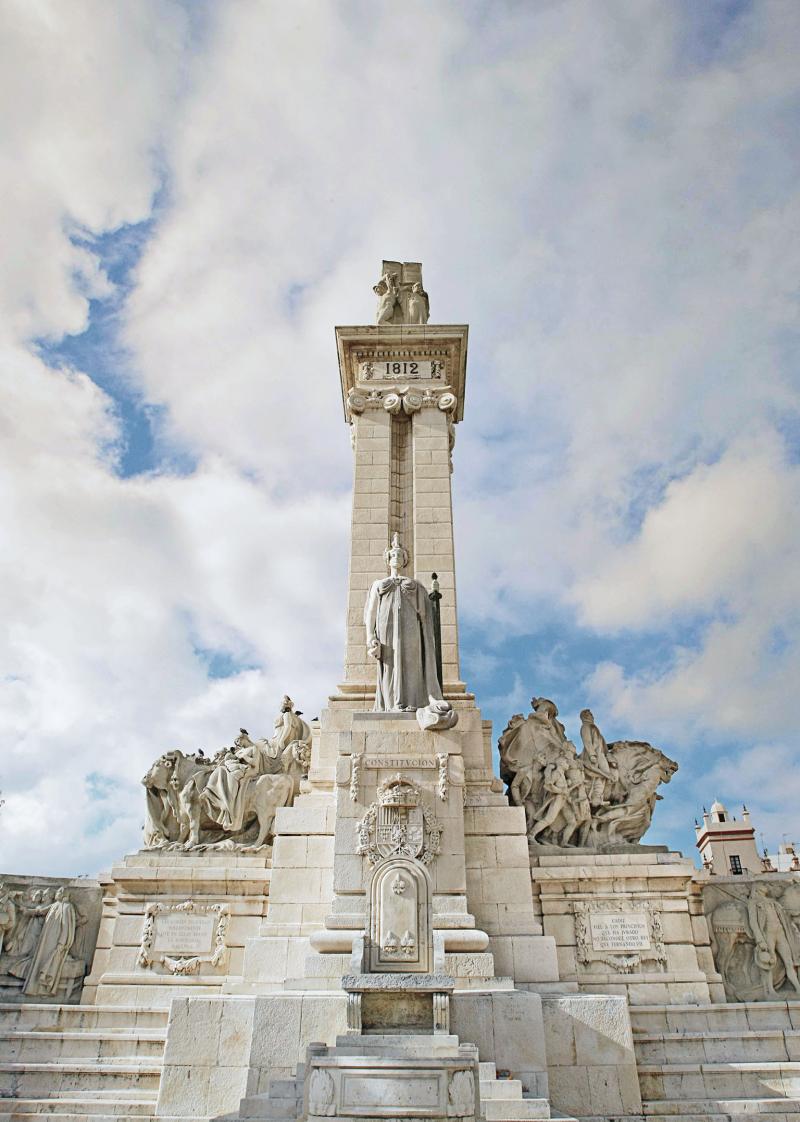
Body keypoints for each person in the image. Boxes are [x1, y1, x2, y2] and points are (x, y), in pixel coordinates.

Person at [364, 533, 443, 712]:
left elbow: (424, 614)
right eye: (393, 555)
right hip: (385, 628)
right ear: (388, 559)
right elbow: (371, 612)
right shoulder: (379, 584)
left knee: (412, 662)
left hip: (410, 628)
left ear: (405, 559)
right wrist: (370, 636)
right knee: (389, 665)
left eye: (399, 555)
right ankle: (391, 703)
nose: (396, 557)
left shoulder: (414, 584)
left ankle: (413, 702)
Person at [23, 888, 84, 997]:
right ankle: (33, 988)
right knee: (40, 961)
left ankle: (45, 989)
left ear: (63, 894)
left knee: (50, 965)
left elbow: (66, 926)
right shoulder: (55, 904)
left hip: (55, 941)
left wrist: (61, 943)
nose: (56, 894)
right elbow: (41, 911)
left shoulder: (67, 907)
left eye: (58, 892)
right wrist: (26, 910)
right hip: (45, 940)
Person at [747, 883, 800, 999]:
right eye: (761, 886)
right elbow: (753, 923)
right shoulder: (753, 903)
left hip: (780, 933)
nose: (764, 887)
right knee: (768, 963)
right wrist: (760, 940)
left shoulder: (772, 902)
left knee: (789, 962)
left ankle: (798, 989)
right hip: (767, 934)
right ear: (757, 889)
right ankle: (770, 991)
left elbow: (785, 915)